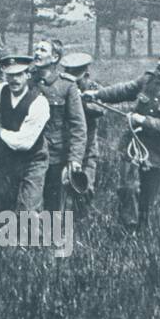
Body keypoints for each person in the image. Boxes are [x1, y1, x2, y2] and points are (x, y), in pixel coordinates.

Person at [84, 40, 160, 229]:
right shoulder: (149, 80)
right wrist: (97, 94)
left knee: (146, 199)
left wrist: (141, 120)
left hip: (157, 153)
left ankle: (141, 236)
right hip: (132, 145)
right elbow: (124, 90)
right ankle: (127, 230)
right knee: (127, 188)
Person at [0, 53, 49, 213]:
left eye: (18, 75)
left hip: (32, 161)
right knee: (2, 207)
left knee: (27, 210)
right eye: (10, 75)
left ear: (27, 75)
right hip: (7, 160)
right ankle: (6, 237)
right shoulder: (1, 90)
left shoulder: (39, 102)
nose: (14, 80)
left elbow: (22, 143)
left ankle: (33, 237)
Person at [31, 37, 86, 214]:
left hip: (55, 155)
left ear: (54, 57)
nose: (37, 53)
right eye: (36, 49)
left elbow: (78, 126)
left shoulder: (67, 85)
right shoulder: (27, 82)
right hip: (28, 153)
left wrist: (75, 159)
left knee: (53, 202)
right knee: (30, 201)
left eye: (42, 50)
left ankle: (51, 239)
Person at [59, 51, 102, 218]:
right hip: (68, 147)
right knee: (63, 189)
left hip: (88, 150)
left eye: (78, 78)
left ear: (86, 74)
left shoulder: (95, 89)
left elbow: (100, 109)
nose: (74, 82)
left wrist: (82, 102)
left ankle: (83, 222)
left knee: (86, 187)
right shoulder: (63, 88)